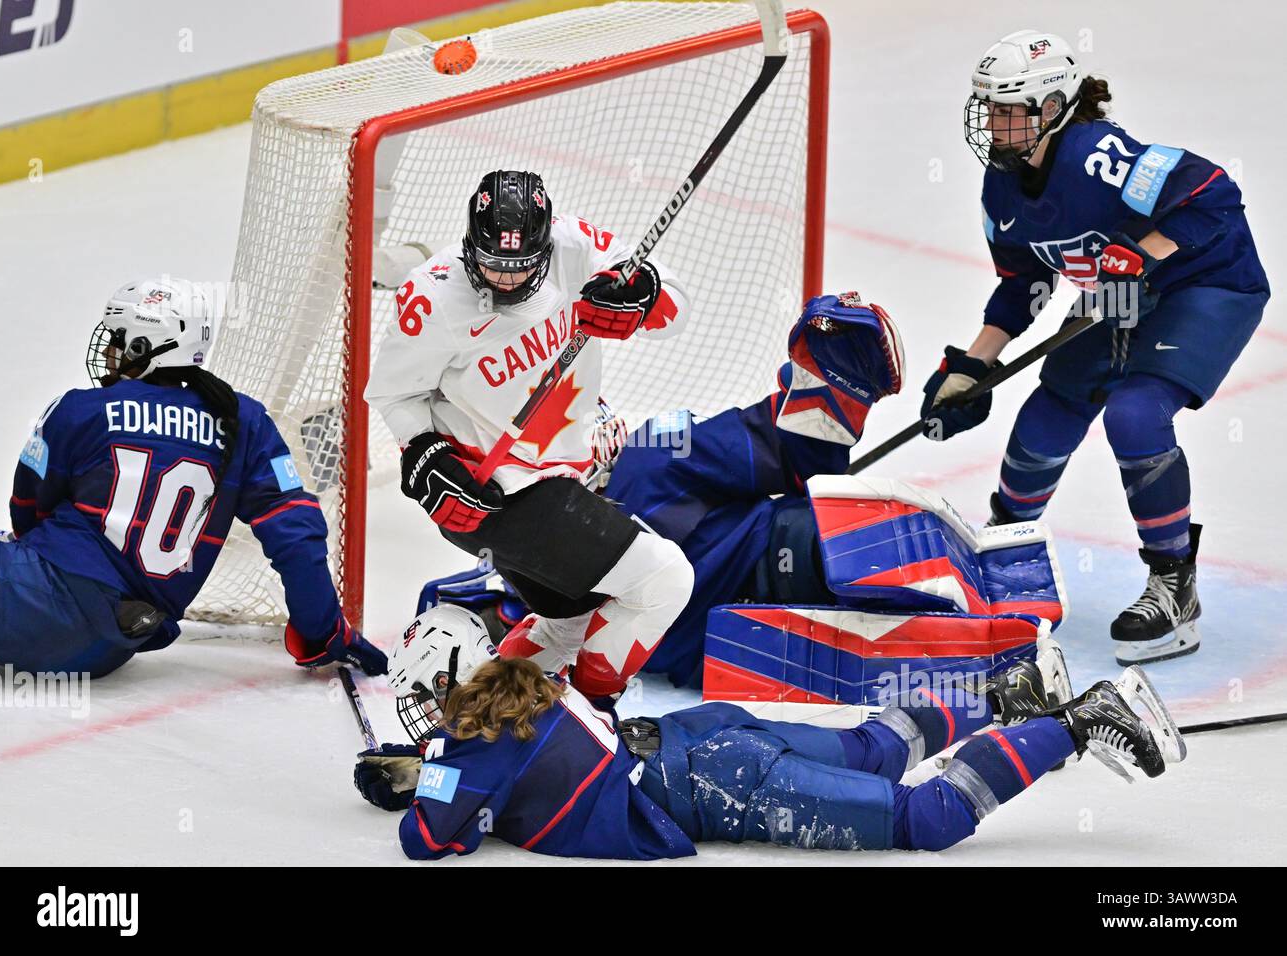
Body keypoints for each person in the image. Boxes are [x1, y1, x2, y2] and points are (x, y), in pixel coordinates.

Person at [922, 30, 1270, 666]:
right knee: (1046, 417)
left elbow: (1215, 195)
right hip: (1121, 292)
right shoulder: (1002, 186)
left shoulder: (1097, 156)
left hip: (1205, 283)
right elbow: (1023, 284)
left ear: (1054, 108)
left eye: (1009, 111)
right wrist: (973, 365)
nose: (993, 124)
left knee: (1135, 414)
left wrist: (1142, 253)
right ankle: (1007, 557)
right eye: (989, 109)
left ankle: (1174, 584)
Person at [353, 605, 1184, 860]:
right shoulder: (528, 686)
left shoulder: (471, 749)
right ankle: (1008, 694)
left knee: (923, 819)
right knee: (876, 746)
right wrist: (436, 764)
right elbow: (504, 774)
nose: (423, 711)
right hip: (699, 737)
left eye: (425, 694)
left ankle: (1081, 721)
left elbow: (428, 842)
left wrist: (429, 773)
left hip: (716, 784)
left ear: (451, 680)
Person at [364, 169, 694, 702]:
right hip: (490, 496)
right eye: (492, 263)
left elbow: (675, 308)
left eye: (521, 266)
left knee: (569, 624)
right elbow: (392, 395)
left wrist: (643, 297)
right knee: (665, 579)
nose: (505, 279)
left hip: (556, 482)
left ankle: (476, 718)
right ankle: (590, 715)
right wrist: (426, 456)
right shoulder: (434, 296)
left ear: (546, 246)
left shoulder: (575, 246)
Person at [0, 277, 386, 678]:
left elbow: (28, 512)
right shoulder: (244, 422)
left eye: (117, 339)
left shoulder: (81, 410)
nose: (107, 351)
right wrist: (324, 631)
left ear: (141, 348)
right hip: (106, 651)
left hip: (27, 603)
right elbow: (296, 535)